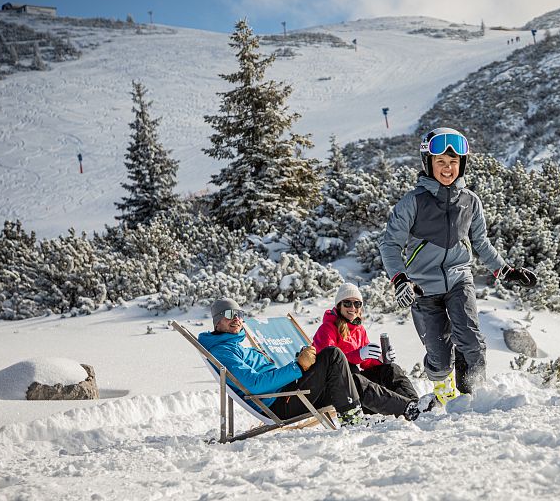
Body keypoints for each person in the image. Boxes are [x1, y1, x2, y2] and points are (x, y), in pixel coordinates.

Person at [379, 127, 537, 404]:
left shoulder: (471, 202)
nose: (448, 168)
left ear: (461, 164)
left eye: (453, 162)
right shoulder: (413, 203)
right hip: (422, 287)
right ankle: (443, 392)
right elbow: (389, 244)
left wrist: (505, 269)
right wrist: (400, 279)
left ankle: (474, 394)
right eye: (441, 162)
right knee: (438, 356)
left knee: (471, 340)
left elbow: (481, 243)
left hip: (459, 279)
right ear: (428, 163)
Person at [198, 298, 364, 427]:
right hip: (280, 403)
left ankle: (385, 408)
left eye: (239, 314)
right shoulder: (223, 351)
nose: (236, 319)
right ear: (217, 322)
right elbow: (254, 384)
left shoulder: (237, 347)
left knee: (348, 376)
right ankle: (354, 419)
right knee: (331, 354)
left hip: (289, 393)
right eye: (229, 314)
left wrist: (301, 363)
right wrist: (297, 366)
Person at [313, 283, 437, 420]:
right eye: (347, 303)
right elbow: (329, 361)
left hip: (356, 387)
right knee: (357, 379)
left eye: (357, 304)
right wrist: (358, 355)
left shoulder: (359, 330)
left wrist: (380, 358)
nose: (352, 308)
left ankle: (416, 405)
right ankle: (407, 409)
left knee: (391, 369)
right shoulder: (327, 329)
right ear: (339, 306)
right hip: (336, 391)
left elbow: (367, 363)